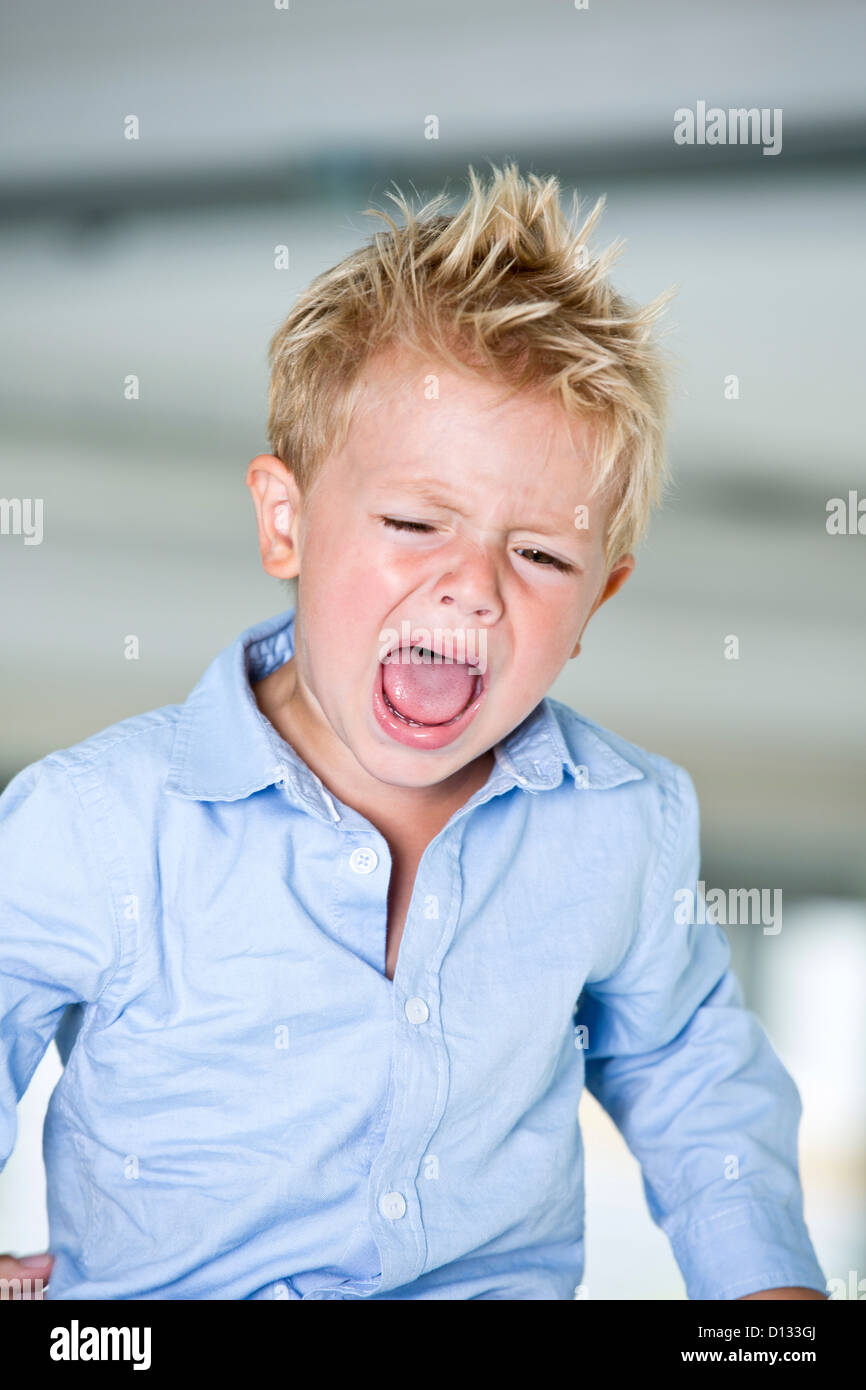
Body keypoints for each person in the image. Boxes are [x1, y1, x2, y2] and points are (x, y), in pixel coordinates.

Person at [0, 163, 826, 1300]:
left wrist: (766, 1300)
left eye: (538, 555)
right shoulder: (95, 823)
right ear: (285, 522)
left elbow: (690, 1073)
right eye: (412, 521)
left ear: (598, 601)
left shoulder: (620, 825)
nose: (473, 588)